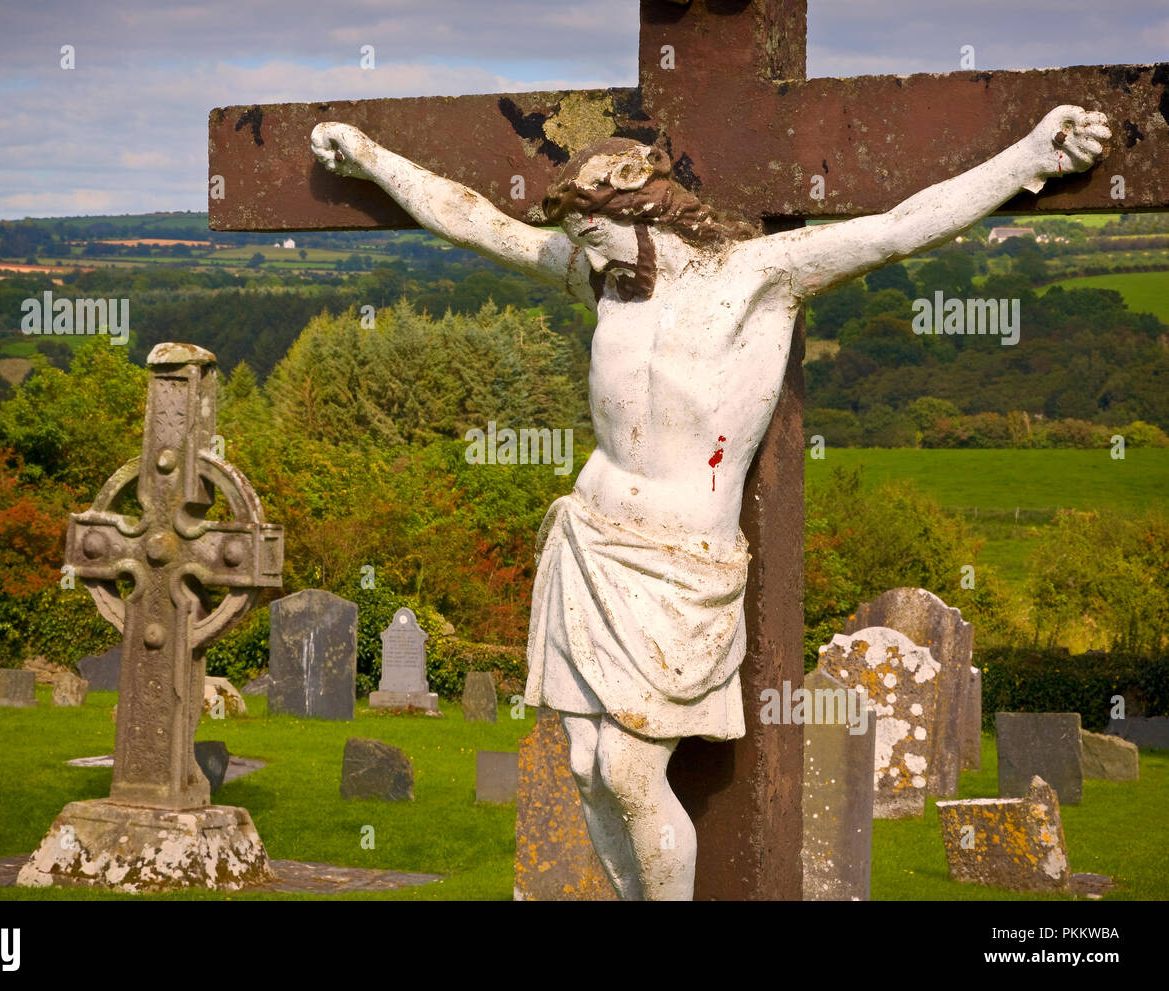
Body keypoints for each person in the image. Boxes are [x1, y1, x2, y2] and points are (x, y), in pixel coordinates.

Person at [311, 106, 1110, 898]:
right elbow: (474, 222)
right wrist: (376, 159)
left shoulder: (759, 277)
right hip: (591, 545)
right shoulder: (603, 279)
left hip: (679, 567)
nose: (587, 256)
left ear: (646, 213)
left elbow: (900, 227)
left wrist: (1031, 154)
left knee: (627, 770)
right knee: (587, 768)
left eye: (596, 235)